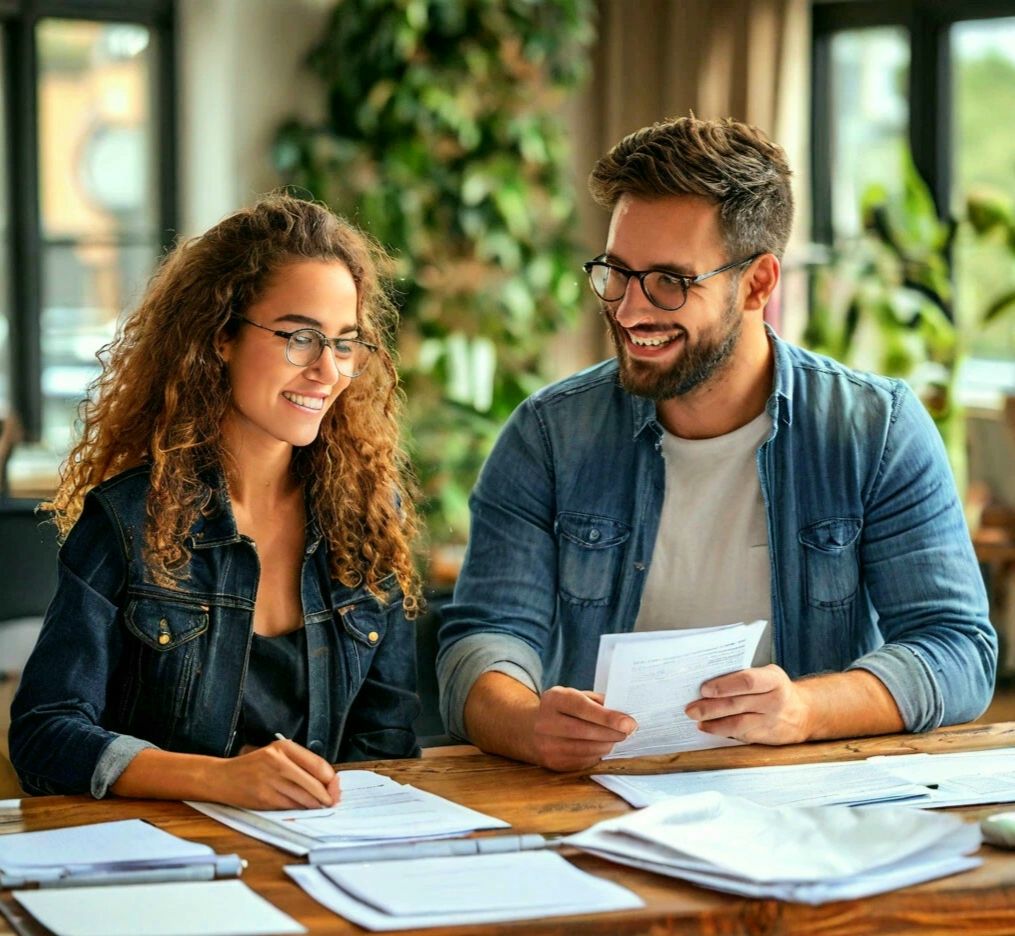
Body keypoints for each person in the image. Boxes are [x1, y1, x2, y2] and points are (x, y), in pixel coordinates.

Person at [436, 115, 997, 771]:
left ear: (757, 283)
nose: (628, 308)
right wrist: (527, 723)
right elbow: (483, 638)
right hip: (594, 801)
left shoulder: (875, 430)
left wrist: (802, 710)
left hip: (806, 799)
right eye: (616, 272)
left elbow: (955, 650)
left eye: (669, 281)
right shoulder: (548, 436)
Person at [10, 194, 423, 807]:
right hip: (164, 864)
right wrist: (216, 779)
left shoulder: (367, 517)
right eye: (300, 337)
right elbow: (44, 735)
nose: (328, 371)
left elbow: (386, 741)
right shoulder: (128, 521)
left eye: (344, 342)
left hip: (317, 859)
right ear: (221, 336)